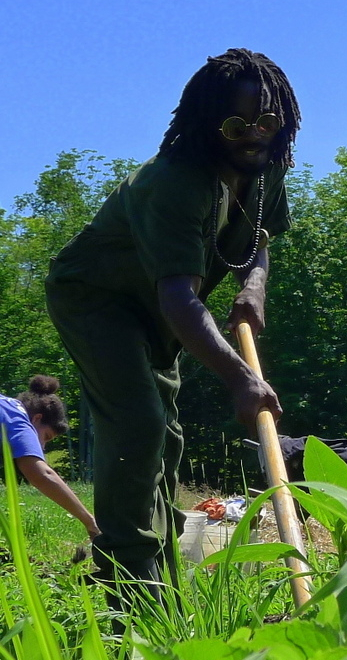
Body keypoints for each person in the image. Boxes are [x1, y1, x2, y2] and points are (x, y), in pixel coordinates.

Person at [45, 49, 296, 588]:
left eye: (267, 122)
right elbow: (181, 299)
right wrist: (242, 380)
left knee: (170, 438)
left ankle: (163, 578)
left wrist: (253, 288)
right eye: (236, 125)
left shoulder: (267, 171)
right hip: (97, 298)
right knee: (139, 424)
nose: (254, 135)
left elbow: (260, 241)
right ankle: (128, 585)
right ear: (208, 126)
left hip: (162, 306)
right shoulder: (176, 182)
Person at [1, 375, 98, 538]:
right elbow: (42, 475)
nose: (43, 446)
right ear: (37, 418)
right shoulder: (19, 422)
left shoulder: (5, 406)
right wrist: (90, 522)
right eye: (46, 436)